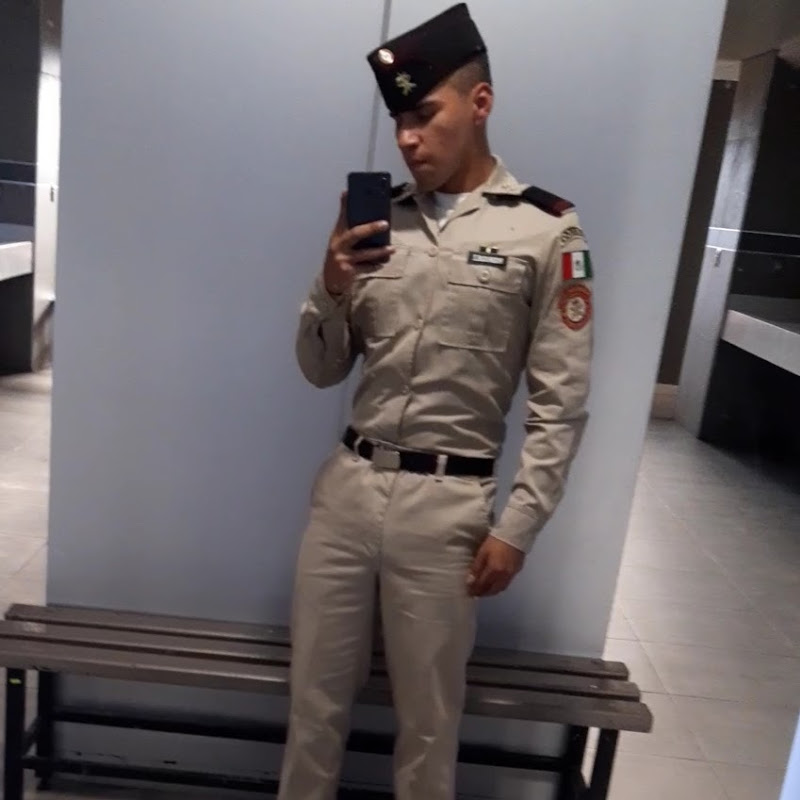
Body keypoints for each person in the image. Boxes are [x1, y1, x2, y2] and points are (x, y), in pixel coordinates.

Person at [279, 4, 593, 799]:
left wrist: (518, 526)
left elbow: (561, 403)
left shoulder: (546, 232)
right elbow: (320, 371)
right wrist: (331, 283)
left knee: (427, 726)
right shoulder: (377, 220)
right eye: (398, 121)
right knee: (312, 709)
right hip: (347, 496)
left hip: (449, 511)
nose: (408, 138)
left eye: (424, 114)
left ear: (480, 103)